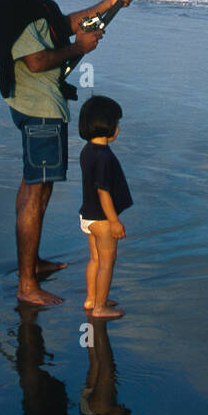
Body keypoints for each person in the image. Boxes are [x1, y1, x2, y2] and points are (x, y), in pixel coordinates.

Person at [0, 0, 137, 308]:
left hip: (33, 100)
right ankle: (26, 285)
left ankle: (30, 264)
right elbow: (37, 60)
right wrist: (80, 50)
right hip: (37, 102)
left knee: (35, 184)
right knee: (37, 191)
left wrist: (109, 3)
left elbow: (60, 26)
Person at [78, 95, 131, 321]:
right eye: (117, 124)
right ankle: (100, 307)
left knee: (95, 259)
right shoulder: (104, 157)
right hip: (102, 220)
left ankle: (92, 298)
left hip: (87, 216)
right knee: (107, 263)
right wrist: (114, 221)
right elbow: (103, 192)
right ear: (107, 125)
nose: (118, 129)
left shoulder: (88, 150)